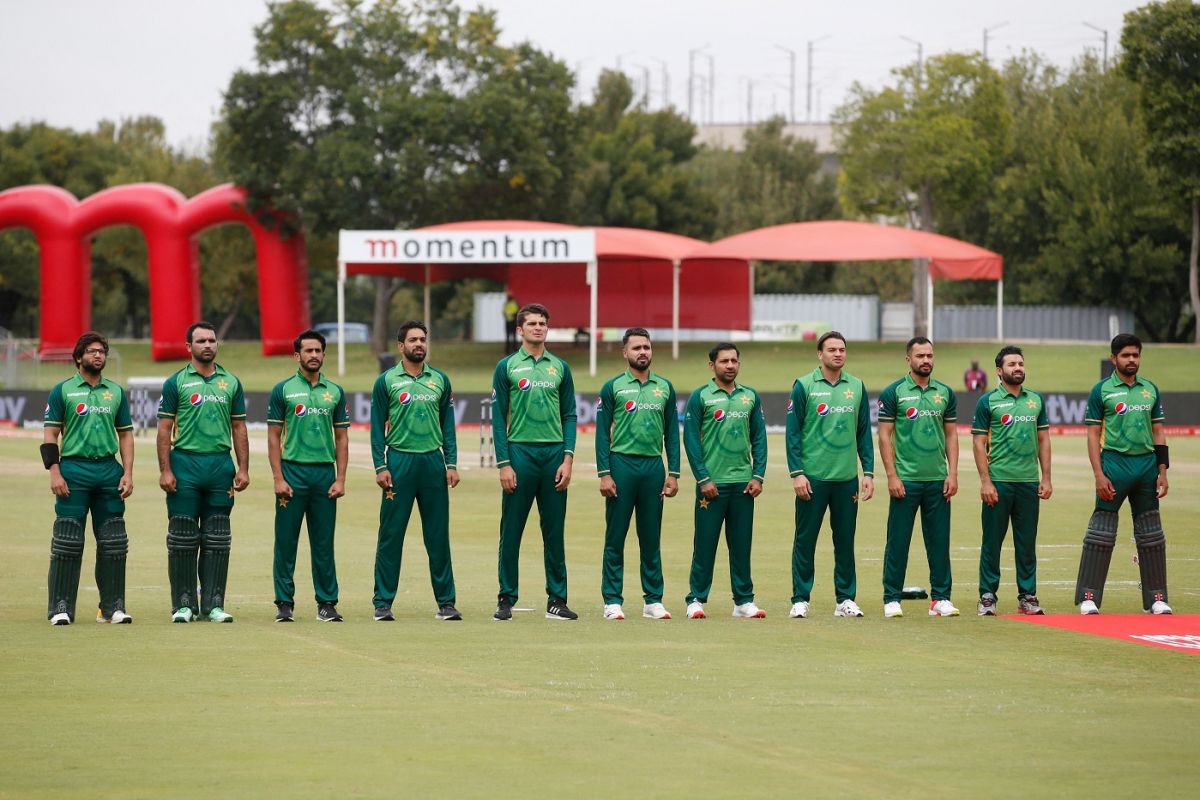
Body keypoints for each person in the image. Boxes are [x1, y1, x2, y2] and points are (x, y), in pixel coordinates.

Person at [157, 321, 249, 623]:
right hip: (185, 464)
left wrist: (243, 467)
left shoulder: (231, 383)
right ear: (189, 347)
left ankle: (213, 604)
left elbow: (239, 427)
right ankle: (183, 604)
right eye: (201, 341)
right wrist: (165, 470)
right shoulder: (175, 383)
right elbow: (164, 429)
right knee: (182, 536)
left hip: (220, 466)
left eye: (212, 340)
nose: (208, 345)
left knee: (217, 537)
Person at [491, 303, 578, 621]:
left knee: (554, 530)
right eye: (532, 323)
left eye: (543, 323)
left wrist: (568, 459)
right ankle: (506, 597)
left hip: (553, 455)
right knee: (511, 529)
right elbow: (498, 418)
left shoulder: (560, 367)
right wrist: (504, 463)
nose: (538, 327)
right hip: (520, 454)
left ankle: (557, 599)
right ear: (520, 330)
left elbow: (570, 414)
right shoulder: (508, 366)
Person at [1075, 333, 1172, 615]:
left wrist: (1162, 471)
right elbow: (1093, 435)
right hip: (1114, 464)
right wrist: (1098, 473)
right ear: (1113, 358)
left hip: (1146, 466)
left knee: (1151, 533)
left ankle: (1156, 598)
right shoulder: (1102, 390)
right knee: (1101, 531)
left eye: (1136, 355)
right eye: (1126, 355)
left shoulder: (1149, 389)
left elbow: (1159, 432)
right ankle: (1089, 597)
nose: (1132, 360)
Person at [371, 320, 462, 621]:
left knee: (437, 536)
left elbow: (448, 426)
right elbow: (375, 427)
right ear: (401, 346)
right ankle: (383, 602)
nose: (419, 344)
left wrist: (451, 462)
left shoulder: (440, 380)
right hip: (399, 463)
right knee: (391, 534)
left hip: (432, 464)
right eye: (413, 340)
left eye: (423, 339)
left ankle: (446, 603)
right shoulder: (387, 381)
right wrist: (380, 465)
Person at [42, 332, 135, 625]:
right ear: (79, 356)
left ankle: (112, 608)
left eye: (102, 352)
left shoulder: (116, 392)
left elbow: (126, 435)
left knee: (113, 541)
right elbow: (50, 436)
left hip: (108, 470)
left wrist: (128, 472)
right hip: (74, 470)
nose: (98, 356)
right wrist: (54, 471)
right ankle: (61, 607)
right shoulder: (63, 391)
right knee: (68, 540)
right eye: (93, 351)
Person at [786, 331, 874, 620]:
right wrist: (797, 474)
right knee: (805, 540)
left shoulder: (857, 386)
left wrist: (868, 471)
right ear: (819, 354)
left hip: (846, 478)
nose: (838, 354)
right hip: (812, 478)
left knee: (845, 541)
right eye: (832, 349)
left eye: (842, 349)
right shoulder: (804, 385)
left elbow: (863, 432)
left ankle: (845, 599)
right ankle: (800, 599)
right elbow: (793, 433)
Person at [595, 328, 680, 621]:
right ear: (625, 353)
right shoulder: (613, 387)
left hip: (653, 468)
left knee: (650, 536)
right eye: (636, 348)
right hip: (621, 466)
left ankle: (653, 600)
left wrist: (674, 473)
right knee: (616, 535)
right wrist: (604, 473)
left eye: (646, 347)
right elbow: (601, 435)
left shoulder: (665, 387)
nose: (642, 352)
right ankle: (612, 600)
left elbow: (672, 432)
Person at [267, 330, 349, 623]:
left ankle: (327, 603)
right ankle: (284, 603)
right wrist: (278, 477)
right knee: (286, 542)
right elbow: (274, 437)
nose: (313, 355)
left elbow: (341, 438)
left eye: (318, 351)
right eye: (308, 351)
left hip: (324, 475)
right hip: (293, 472)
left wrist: (340, 478)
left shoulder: (335, 392)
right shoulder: (284, 390)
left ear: (324, 355)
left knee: (324, 543)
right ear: (297, 355)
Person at [682, 342, 768, 619]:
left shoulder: (750, 397)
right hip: (712, 485)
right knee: (705, 544)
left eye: (734, 361)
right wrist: (703, 478)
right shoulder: (701, 397)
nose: (730, 365)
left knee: (741, 545)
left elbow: (759, 438)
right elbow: (691, 439)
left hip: (743, 484)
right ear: (712, 366)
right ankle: (695, 599)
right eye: (724, 361)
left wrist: (758, 475)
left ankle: (743, 601)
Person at [878, 336, 960, 618]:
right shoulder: (894, 392)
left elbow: (951, 435)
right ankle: (891, 598)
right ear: (908, 360)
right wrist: (892, 475)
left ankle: (940, 599)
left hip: (937, 479)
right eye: (920, 356)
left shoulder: (945, 392)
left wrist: (952, 473)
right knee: (898, 540)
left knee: (939, 541)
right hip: (906, 480)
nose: (926, 360)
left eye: (930, 356)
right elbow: (885, 436)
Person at [971, 345, 1052, 616]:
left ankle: (1027, 596)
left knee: (1026, 542)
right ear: (999, 371)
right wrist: (985, 482)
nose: (1017, 368)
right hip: (999, 481)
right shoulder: (988, 401)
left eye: (1020, 363)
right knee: (992, 541)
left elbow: (1043, 440)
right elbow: (979, 443)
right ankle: (987, 596)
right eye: (1012, 364)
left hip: (1028, 482)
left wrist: (1047, 478)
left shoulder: (1036, 400)